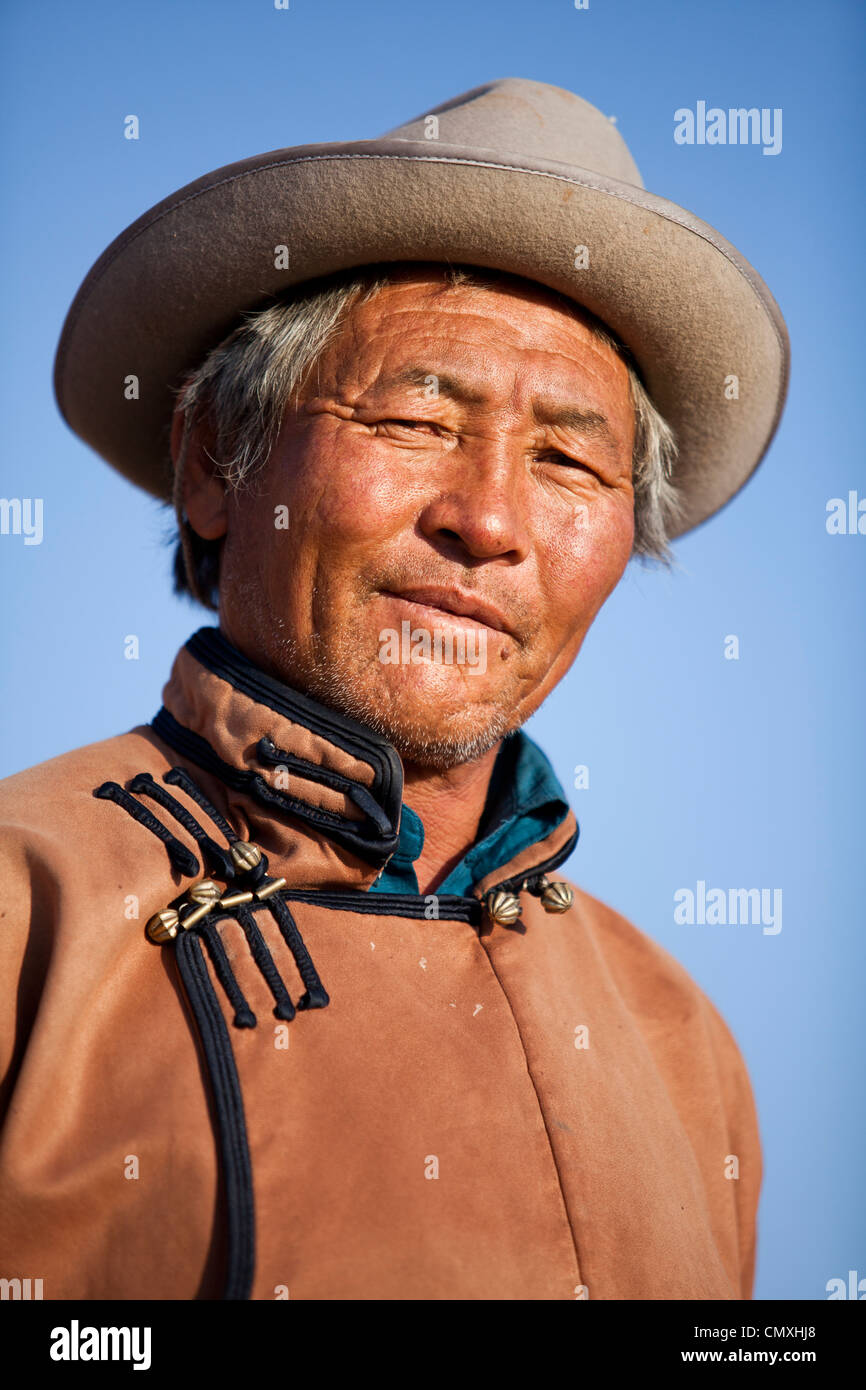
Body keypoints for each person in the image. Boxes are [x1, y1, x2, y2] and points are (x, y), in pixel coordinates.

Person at [0, 78, 788, 1300]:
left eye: (569, 460)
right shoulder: (22, 907)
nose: (487, 520)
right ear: (218, 463)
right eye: (415, 421)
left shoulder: (677, 1041)